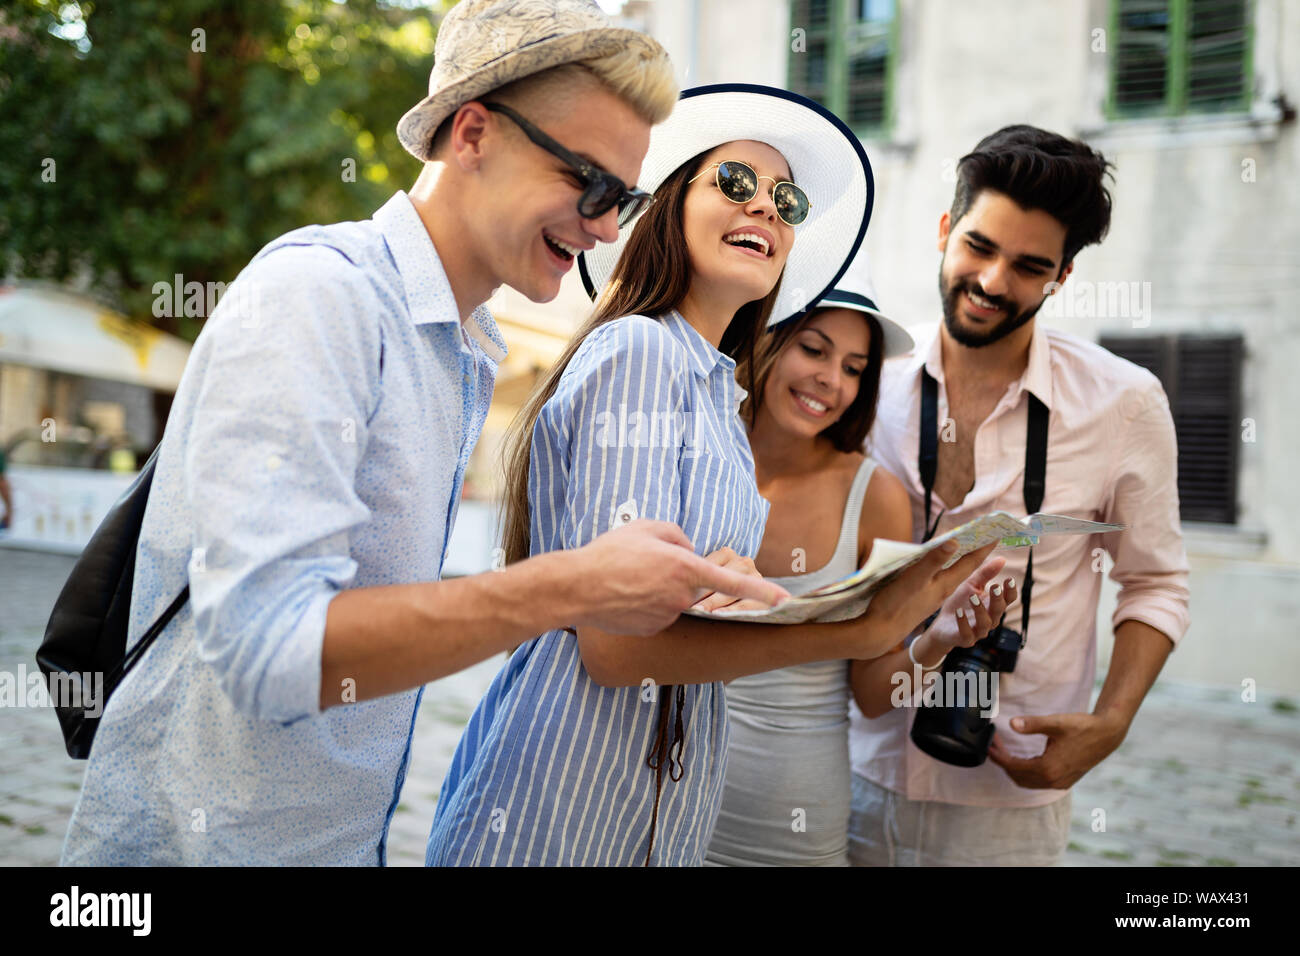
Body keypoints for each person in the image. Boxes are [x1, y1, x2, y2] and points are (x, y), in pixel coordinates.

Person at [60, 0, 785, 867]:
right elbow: (267, 653)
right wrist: (566, 586)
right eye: (589, 185)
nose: (601, 228)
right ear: (473, 132)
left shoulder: (462, 351)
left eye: (622, 201)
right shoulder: (321, 296)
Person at [424, 84, 998, 867]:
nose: (766, 206)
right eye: (735, 183)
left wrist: (724, 580)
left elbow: (677, 593)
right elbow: (614, 648)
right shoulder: (639, 352)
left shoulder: (718, 398)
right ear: (669, 204)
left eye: (785, 200)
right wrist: (849, 630)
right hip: (563, 799)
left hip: (668, 803)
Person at [847, 125, 1191, 867]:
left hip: (1010, 801)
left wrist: (1114, 721)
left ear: (1061, 278)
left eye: (1030, 266)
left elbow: (1156, 582)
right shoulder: (863, 384)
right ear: (945, 229)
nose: (995, 282)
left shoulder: (1123, 402)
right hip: (854, 770)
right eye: (979, 246)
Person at [704, 252, 1017, 867]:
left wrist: (942, 638)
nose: (832, 380)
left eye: (854, 368)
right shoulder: (700, 453)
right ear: (767, 340)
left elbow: (875, 693)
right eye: (814, 350)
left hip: (789, 823)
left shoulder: (873, 497)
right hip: (657, 795)